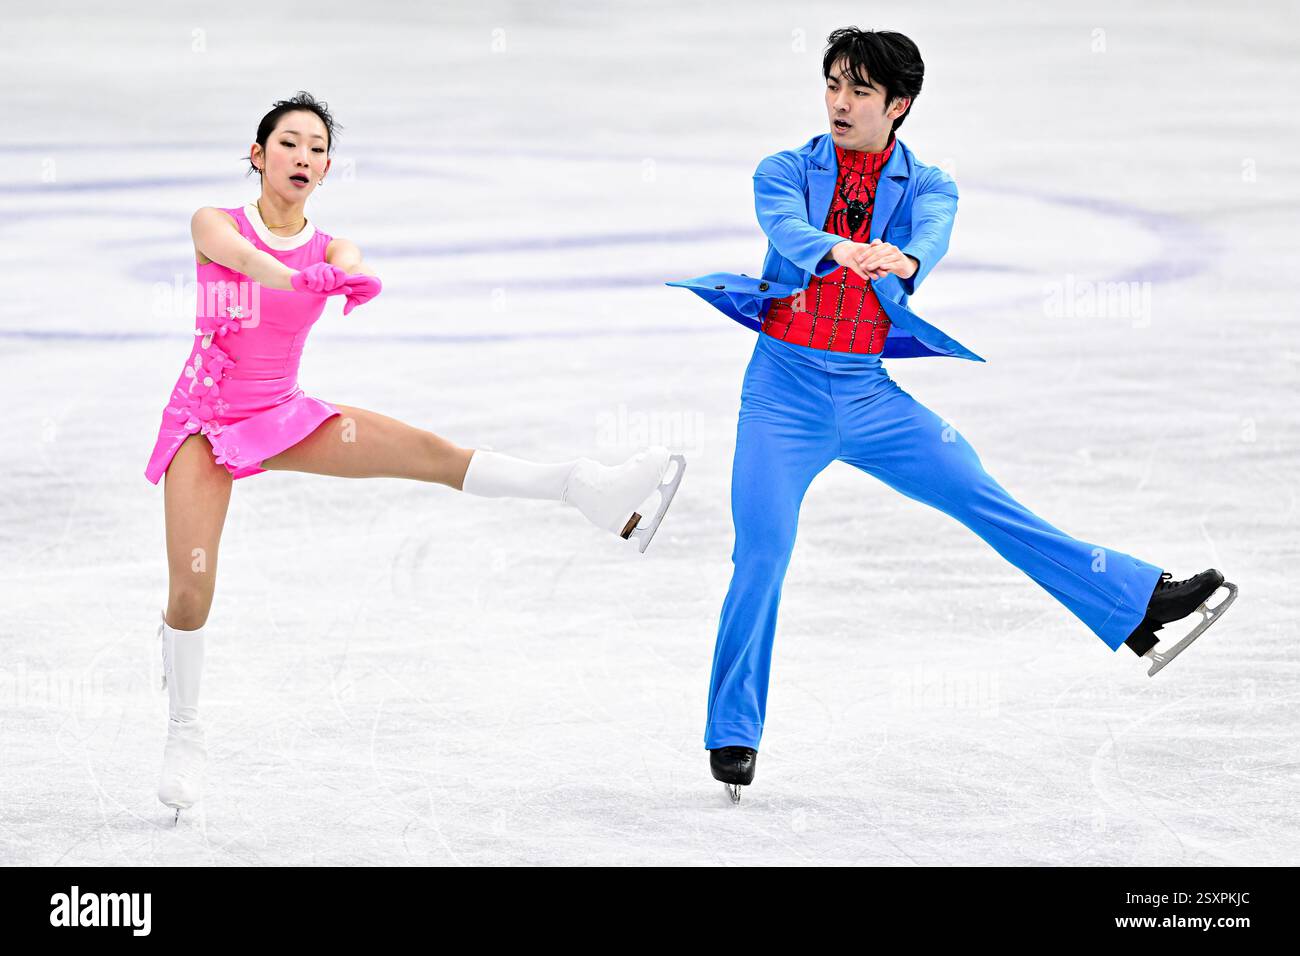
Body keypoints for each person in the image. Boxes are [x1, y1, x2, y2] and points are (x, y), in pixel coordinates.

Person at [667, 29, 1235, 803]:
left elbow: (930, 235)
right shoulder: (786, 169)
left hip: (868, 396)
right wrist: (840, 250)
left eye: (860, 91)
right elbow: (786, 229)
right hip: (783, 393)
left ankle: (1133, 602)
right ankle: (734, 730)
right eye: (834, 84)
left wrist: (904, 259)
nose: (840, 101)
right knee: (761, 553)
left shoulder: (930, 185)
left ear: (897, 106)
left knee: (980, 494)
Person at [146, 92, 685, 821]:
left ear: (328, 167)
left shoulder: (329, 244)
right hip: (206, 425)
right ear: (257, 155)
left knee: (432, 453)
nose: (301, 157)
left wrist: (348, 273)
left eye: (315, 149)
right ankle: (185, 728)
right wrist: (297, 280)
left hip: (283, 414)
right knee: (192, 591)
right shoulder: (215, 223)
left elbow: (348, 257)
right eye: (287, 145)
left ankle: (585, 488)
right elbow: (246, 260)